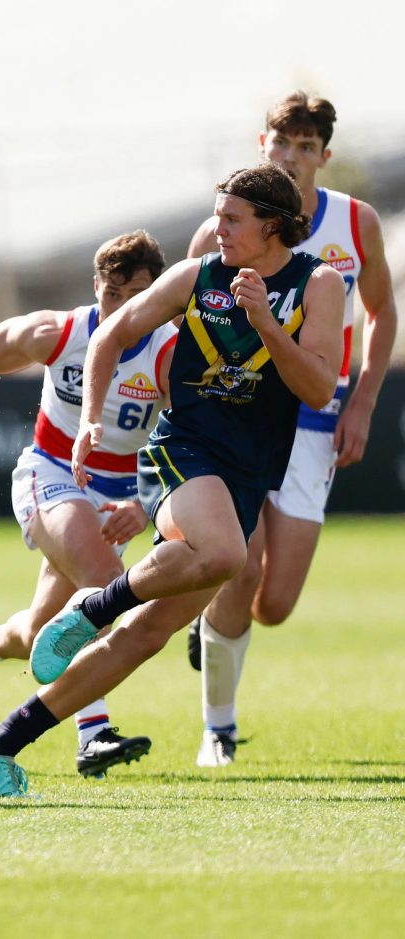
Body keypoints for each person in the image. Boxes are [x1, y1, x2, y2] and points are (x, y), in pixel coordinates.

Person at [0, 163, 344, 797]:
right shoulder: (196, 276)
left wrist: (269, 326)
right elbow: (111, 334)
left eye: (231, 219)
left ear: (272, 226)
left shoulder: (319, 284)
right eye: (217, 215)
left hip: (250, 475)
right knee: (225, 553)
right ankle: (95, 607)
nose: (215, 228)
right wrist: (88, 422)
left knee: (147, 635)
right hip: (186, 452)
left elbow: (318, 386)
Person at [182, 92, 397, 766]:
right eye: (284, 144)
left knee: (274, 603)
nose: (294, 157)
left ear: (324, 157)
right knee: (237, 570)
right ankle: (218, 727)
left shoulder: (355, 222)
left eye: (308, 147)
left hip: (312, 420)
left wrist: (360, 402)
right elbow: (179, 321)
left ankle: (212, 620)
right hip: (237, 419)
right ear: (263, 144)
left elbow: (383, 313)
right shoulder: (226, 226)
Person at [0, 231, 175, 778]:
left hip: (115, 499)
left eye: (135, 295)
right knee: (105, 581)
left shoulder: (170, 350)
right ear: (95, 287)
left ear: (157, 293)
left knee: (41, 633)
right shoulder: (60, 332)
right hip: (50, 474)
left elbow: (186, 439)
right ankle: (93, 734)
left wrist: (145, 501)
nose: (121, 308)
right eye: (111, 294)